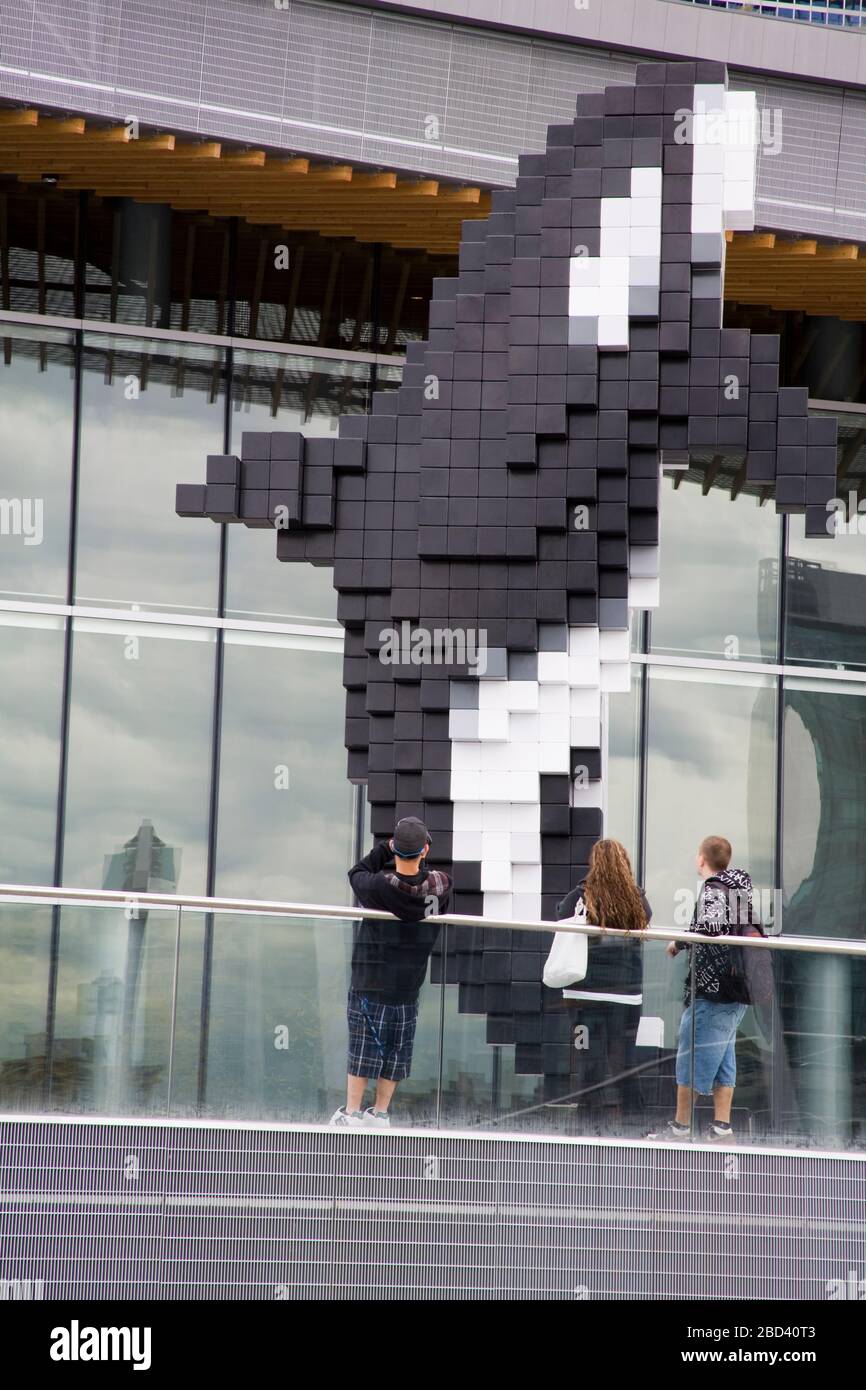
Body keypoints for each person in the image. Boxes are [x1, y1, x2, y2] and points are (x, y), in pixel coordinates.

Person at [329, 816, 452, 1130]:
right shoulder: (440, 887)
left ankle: (352, 1113)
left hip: (371, 981)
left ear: (396, 847)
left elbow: (356, 872)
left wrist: (385, 849)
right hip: (409, 986)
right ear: (425, 849)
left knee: (363, 1046)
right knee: (397, 1050)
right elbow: (426, 884)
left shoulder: (379, 888)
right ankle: (380, 1113)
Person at [661, 834, 753, 1143]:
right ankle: (721, 1128)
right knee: (725, 1057)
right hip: (737, 988)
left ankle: (680, 1128)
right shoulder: (740, 890)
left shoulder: (714, 888)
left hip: (713, 991)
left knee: (690, 1053)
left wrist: (680, 942)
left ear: (702, 859)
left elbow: (710, 928)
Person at [555, 838, 651, 1131]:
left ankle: (588, 1122)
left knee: (588, 1059)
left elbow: (561, 914)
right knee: (624, 1060)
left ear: (594, 864)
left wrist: (583, 891)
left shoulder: (581, 895)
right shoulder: (636, 897)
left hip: (584, 996)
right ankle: (634, 1122)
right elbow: (646, 918)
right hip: (625, 995)